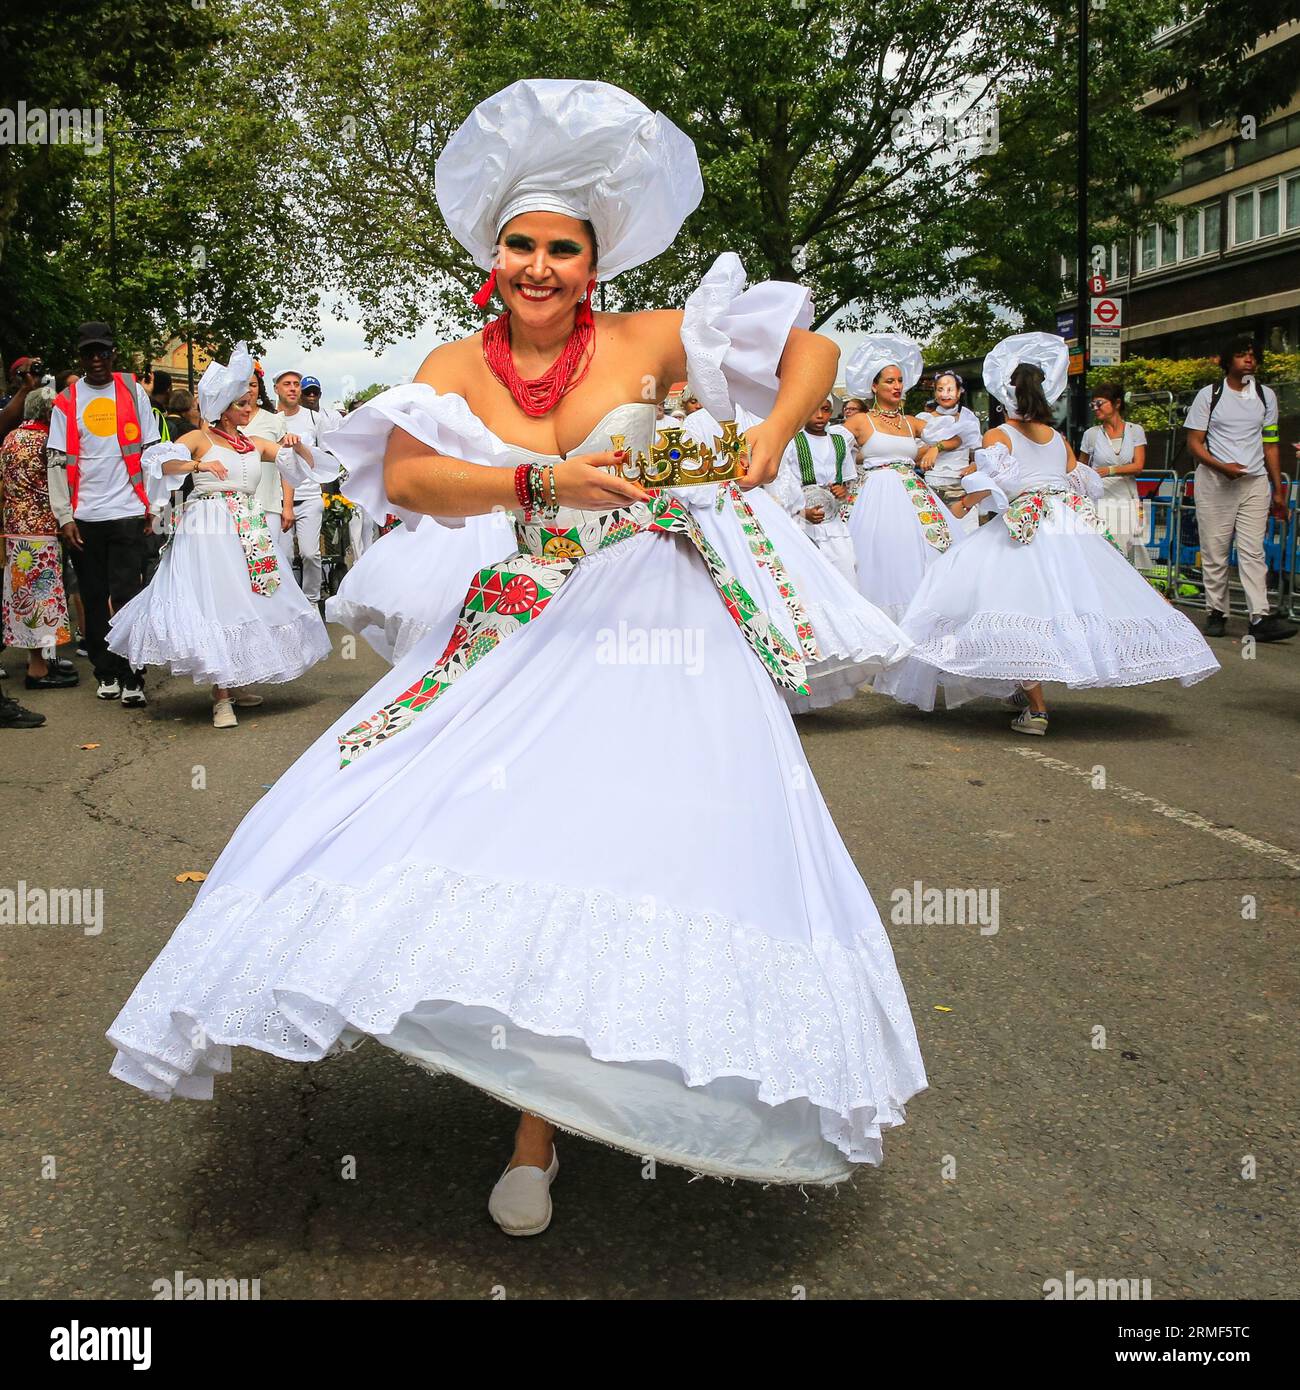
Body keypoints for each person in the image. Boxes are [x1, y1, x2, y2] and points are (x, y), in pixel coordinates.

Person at [107, 79, 926, 1237]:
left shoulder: (651, 339)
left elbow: (810, 348)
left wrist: (769, 432)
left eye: (562, 250)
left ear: (593, 265)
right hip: (525, 604)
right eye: (520, 246)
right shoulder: (457, 364)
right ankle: (520, 1079)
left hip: (656, 611)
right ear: (494, 257)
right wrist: (537, 479)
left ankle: (549, 1121)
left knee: (643, 833)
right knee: (443, 806)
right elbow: (407, 479)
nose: (539, 266)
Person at [875, 333, 1219, 730]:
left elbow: (996, 485)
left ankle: (1036, 708)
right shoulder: (1058, 438)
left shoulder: (998, 435)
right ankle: (1024, 692)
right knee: (1059, 604)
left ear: (1007, 393)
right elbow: (1081, 481)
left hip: (1028, 523)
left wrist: (966, 502)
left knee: (1007, 601)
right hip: (1065, 521)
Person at [106, 344, 335, 727]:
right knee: (220, 602)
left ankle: (238, 680)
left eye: (249, 403)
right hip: (209, 529)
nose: (249, 409)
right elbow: (158, 462)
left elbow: (296, 464)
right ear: (224, 406)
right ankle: (220, 696)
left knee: (250, 600)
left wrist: (297, 446)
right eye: (242, 404)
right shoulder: (201, 437)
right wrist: (197, 463)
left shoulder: (250, 443)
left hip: (248, 528)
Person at [46, 322, 161, 705]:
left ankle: (133, 675)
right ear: (80, 357)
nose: (96, 360)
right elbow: (56, 462)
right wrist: (64, 516)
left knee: (128, 595)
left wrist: (154, 505)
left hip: (128, 511)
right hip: (85, 517)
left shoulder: (131, 391)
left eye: (103, 352)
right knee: (94, 597)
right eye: (89, 353)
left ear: (113, 353)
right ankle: (105, 671)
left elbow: (151, 451)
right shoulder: (66, 401)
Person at [841, 335, 966, 621]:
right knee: (882, 559)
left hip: (914, 496)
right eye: (889, 381)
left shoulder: (912, 422)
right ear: (874, 386)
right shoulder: (862, 421)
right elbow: (831, 447)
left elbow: (958, 436)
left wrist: (935, 447)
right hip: (875, 498)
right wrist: (842, 476)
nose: (897, 386)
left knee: (924, 555)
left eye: (899, 380)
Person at [1184, 335, 1296, 641]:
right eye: (1242, 355)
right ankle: (1216, 612)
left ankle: (1259, 617)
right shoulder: (1210, 395)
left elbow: (1270, 443)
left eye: (1253, 355)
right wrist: (1222, 467)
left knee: (1252, 551)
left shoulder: (1266, 396)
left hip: (1254, 481)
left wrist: (1277, 489)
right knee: (1215, 551)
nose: (1249, 360)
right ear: (1226, 360)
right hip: (1215, 481)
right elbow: (1194, 443)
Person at [2, 386, 77, 689]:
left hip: (15, 529)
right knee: (42, 598)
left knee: (24, 597)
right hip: (41, 529)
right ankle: (38, 668)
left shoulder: (10, 439)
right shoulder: (46, 442)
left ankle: (41, 661)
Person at [776, 396, 859, 586]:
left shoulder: (839, 442)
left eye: (826, 410)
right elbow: (782, 484)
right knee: (810, 575)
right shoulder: (792, 441)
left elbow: (848, 481)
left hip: (833, 520)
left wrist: (842, 492)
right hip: (801, 519)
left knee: (845, 566)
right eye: (814, 410)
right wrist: (800, 512)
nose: (820, 416)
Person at [274, 369, 339, 604]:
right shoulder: (270, 419)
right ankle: (289, 603)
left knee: (310, 554)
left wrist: (328, 490)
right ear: (276, 389)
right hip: (277, 498)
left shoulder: (315, 419)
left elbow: (326, 454)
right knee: (285, 555)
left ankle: (310, 601)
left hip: (310, 495)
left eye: (296, 384)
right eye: (287, 384)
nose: (292, 388)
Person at [1078, 383, 1152, 568]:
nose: (1096, 409)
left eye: (1100, 403)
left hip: (1126, 495)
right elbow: (1080, 468)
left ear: (1116, 403)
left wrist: (1109, 470)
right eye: (1092, 405)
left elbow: (1138, 465)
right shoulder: (1091, 435)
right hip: (1100, 498)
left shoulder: (1135, 430)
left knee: (1128, 545)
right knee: (1104, 546)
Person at [916, 370, 983, 534]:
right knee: (935, 536)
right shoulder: (924, 419)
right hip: (932, 486)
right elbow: (915, 455)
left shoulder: (968, 419)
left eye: (950, 389)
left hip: (961, 487)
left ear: (959, 392)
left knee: (966, 538)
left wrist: (974, 465)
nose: (945, 394)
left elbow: (979, 454)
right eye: (940, 389)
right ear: (935, 392)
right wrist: (932, 450)